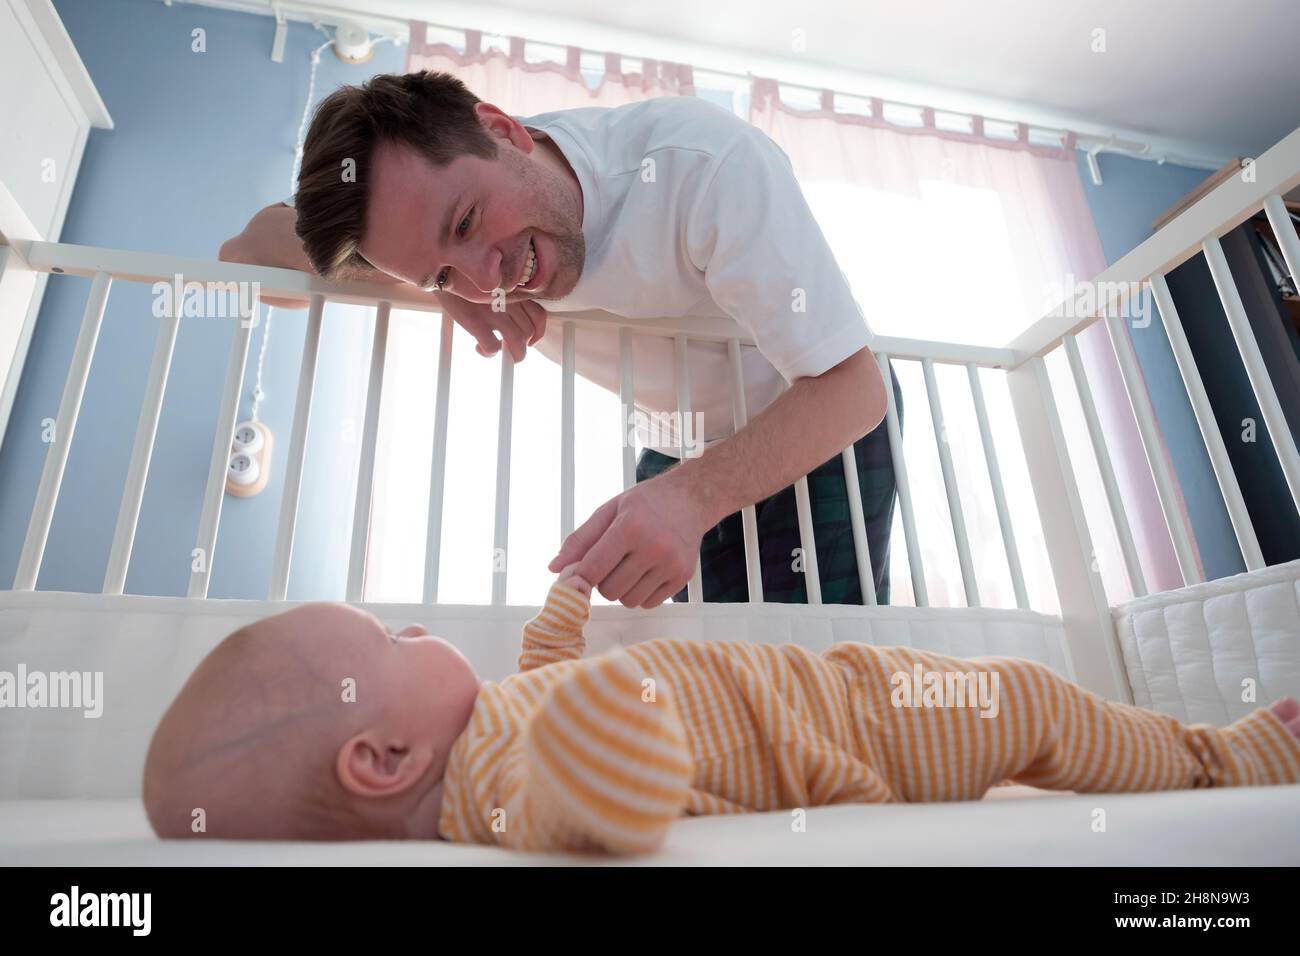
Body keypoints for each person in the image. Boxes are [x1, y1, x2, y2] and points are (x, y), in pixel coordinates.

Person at [220, 70, 898, 608]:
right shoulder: (446, 245)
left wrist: (694, 498)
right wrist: (439, 284)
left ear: (503, 129)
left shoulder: (704, 164)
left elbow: (853, 388)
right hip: (679, 440)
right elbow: (244, 259)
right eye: (445, 270)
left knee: (818, 668)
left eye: (466, 223)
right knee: (699, 683)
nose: (494, 276)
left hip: (817, 415)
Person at [144, 569, 1300, 853]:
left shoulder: (490, 715)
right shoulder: (496, 790)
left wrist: (568, 606)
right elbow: (578, 803)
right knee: (1035, 703)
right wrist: (611, 749)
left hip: (833, 699)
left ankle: (1193, 751)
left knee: (1028, 717)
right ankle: (1224, 758)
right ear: (384, 755)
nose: (413, 629)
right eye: (391, 638)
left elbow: (548, 669)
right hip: (854, 729)